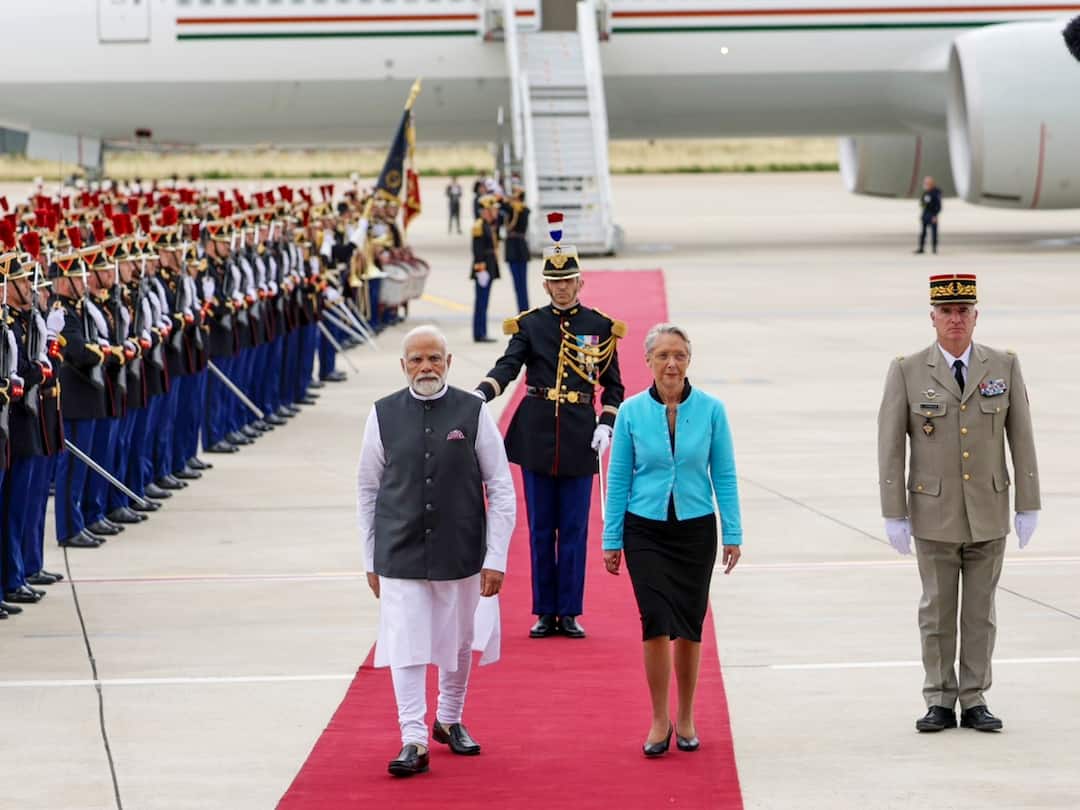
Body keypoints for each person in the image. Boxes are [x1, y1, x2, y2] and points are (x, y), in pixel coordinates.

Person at [878, 273, 1040, 733]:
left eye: (962, 311)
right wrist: (894, 511)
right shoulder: (908, 370)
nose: (954, 320)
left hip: (989, 510)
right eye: (946, 312)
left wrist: (1028, 501)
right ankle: (938, 698)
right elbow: (890, 445)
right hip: (934, 514)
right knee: (936, 612)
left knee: (980, 614)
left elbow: (1022, 438)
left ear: (975, 316)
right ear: (932, 317)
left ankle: (974, 698)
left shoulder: (1003, 366)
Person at [357, 325, 515, 778]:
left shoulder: (474, 411)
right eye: (416, 360)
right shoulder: (382, 414)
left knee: (458, 639)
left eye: (434, 359)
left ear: (448, 363)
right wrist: (369, 558)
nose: (425, 367)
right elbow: (367, 489)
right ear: (403, 365)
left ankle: (449, 717)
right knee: (405, 642)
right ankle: (413, 737)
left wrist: (496, 556)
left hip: (461, 547)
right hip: (398, 548)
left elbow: (501, 487)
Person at [475, 214, 625, 639]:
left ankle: (570, 611)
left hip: (580, 435)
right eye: (554, 282)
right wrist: (482, 394)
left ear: (580, 282)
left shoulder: (599, 327)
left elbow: (613, 385)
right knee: (541, 528)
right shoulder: (531, 324)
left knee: (575, 530)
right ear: (545, 286)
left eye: (569, 280)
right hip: (537, 433)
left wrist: (607, 423)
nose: (562, 287)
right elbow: (508, 366)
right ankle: (545, 611)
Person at [601, 323, 742, 756]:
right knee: (656, 620)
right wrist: (612, 538)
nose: (671, 363)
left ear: (689, 359)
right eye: (662, 355)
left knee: (689, 624)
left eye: (679, 354)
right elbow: (619, 476)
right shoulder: (630, 412)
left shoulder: (712, 410)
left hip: (695, 528)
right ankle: (660, 718)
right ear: (648, 362)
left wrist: (733, 532)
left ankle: (686, 716)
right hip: (644, 528)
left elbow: (724, 474)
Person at [470, 194, 501, 344]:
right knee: (481, 302)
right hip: (484, 268)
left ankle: (482, 331)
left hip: (489, 266)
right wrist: (481, 270)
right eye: (493, 209)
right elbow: (477, 250)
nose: (495, 212)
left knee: (484, 302)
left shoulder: (488, 225)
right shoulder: (479, 225)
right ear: (486, 211)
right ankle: (479, 333)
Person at [502, 187, 530, 313]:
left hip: (517, 248)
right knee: (518, 285)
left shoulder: (520, 209)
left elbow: (505, 206)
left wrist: (506, 200)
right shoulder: (514, 209)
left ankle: (524, 310)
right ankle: (522, 309)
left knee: (521, 285)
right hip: (514, 249)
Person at [916, 176, 942, 255]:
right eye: (925, 183)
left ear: (932, 183)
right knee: (923, 232)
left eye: (927, 183)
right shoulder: (926, 192)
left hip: (932, 215)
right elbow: (922, 203)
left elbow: (938, 206)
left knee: (934, 233)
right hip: (925, 214)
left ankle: (934, 249)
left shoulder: (936, 193)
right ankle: (921, 248)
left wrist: (935, 215)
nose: (926, 184)